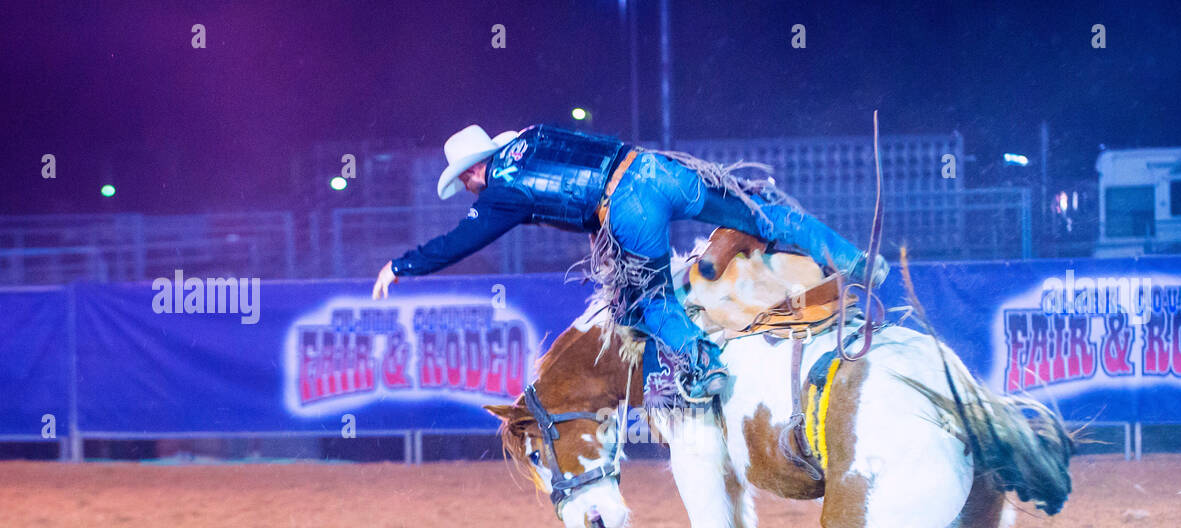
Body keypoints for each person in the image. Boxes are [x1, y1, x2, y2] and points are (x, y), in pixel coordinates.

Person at [373, 123, 886, 409]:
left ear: (476, 168)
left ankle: (702, 365)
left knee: (646, 298)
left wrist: (402, 266)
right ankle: (854, 261)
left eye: (464, 179)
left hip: (628, 205)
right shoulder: (535, 136)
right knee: (762, 215)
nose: (466, 188)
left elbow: (463, 239)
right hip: (656, 167)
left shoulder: (500, 191)